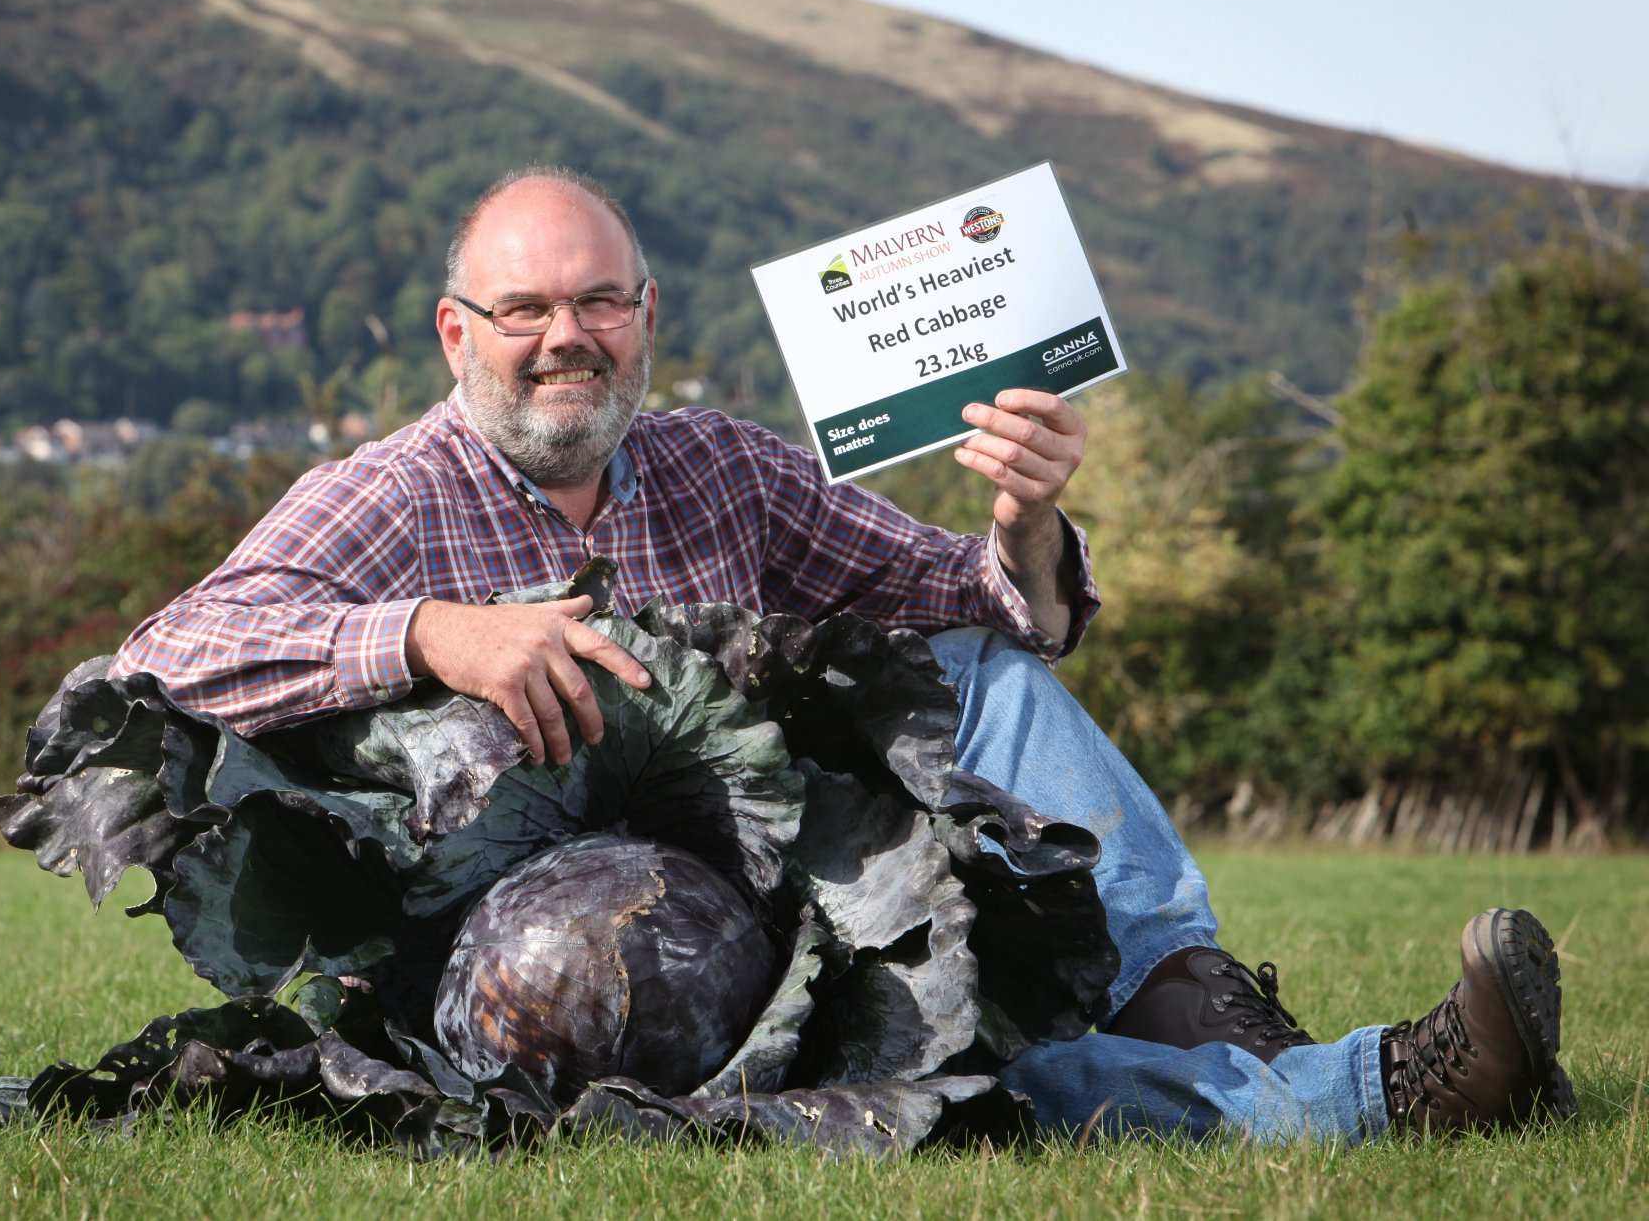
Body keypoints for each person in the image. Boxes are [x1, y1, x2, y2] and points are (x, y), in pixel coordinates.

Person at [111, 165, 1573, 1142]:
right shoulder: (388, 496)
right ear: (457, 333)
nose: (569, 337)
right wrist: (433, 632)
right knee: (963, 1067)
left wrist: (1029, 519)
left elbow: (971, 598)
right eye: (527, 309)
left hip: (763, 912)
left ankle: (1181, 978)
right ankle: (1377, 1089)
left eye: (600, 301)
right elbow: (167, 659)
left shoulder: (719, 471)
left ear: (645, 316)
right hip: (528, 982)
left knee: (982, 680)